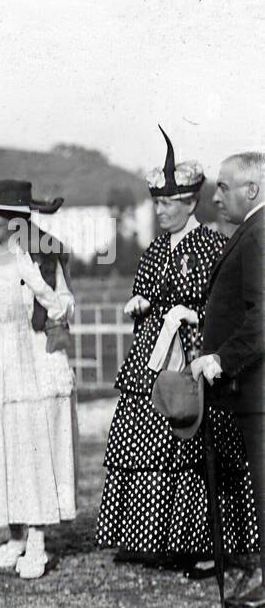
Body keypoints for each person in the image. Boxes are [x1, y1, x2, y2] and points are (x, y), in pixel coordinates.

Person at [98, 129, 258, 576]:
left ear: (191, 202)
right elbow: (145, 292)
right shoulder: (152, 252)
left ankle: (205, 544)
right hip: (152, 356)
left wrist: (196, 315)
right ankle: (156, 538)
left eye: (170, 202)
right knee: (143, 440)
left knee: (194, 446)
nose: (161, 210)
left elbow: (228, 308)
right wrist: (140, 304)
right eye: (157, 203)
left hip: (193, 354)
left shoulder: (211, 245)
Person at [0, 179, 77, 579]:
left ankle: (38, 541)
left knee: (32, 448)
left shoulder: (43, 257)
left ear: (17, 221)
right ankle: (16, 535)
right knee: (3, 447)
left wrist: (36, 281)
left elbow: (63, 311)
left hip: (35, 360)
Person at [192, 151, 265, 608]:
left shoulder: (258, 236)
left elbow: (264, 317)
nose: (216, 195)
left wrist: (221, 359)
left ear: (251, 190)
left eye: (223, 186)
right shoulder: (251, 233)